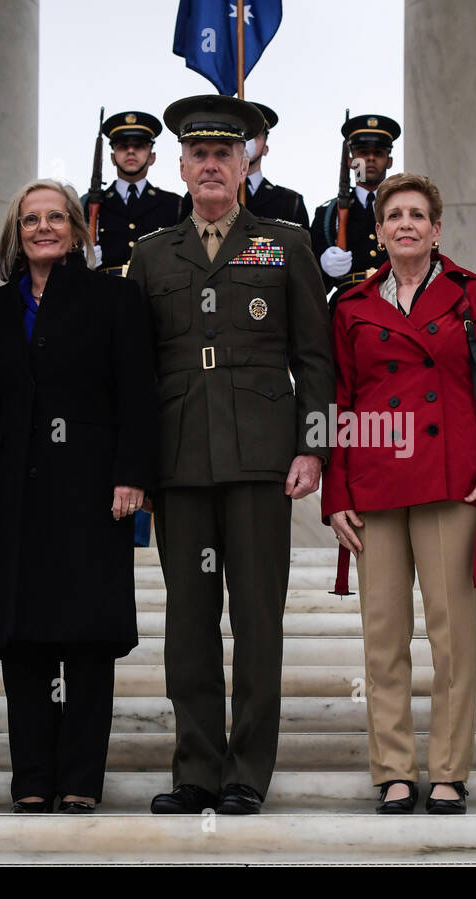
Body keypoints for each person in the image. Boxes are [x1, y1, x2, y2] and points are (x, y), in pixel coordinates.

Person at [128, 94, 333, 815]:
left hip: (259, 459)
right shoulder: (151, 256)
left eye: (226, 153)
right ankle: (195, 770)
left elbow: (316, 358)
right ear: (180, 166)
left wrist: (315, 447)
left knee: (256, 619)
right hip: (180, 461)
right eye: (200, 155)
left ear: (247, 164)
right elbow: (134, 372)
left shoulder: (284, 244)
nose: (212, 165)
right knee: (187, 624)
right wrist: (136, 465)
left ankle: (247, 771)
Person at [323, 173, 476, 814]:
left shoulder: (475, 297)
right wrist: (336, 492)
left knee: (452, 637)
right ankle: (393, 769)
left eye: (417, 215)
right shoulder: (351, 306)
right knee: (382, 637)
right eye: (394, 216)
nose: (405, 224)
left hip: (452, 482)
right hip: (377, 485)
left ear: (437, 230)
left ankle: (448, 770)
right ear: (379, 233)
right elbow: (341, 402)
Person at [0, 180, 157, 814]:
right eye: (31, 219)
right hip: (11, 495)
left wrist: (132, 475)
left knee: (85, 638)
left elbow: (138, 392)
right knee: (21, 638)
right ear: (17, 232)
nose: (43, 227)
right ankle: (30, 777)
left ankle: (80, 777)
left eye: (56, 217)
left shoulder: (115, 297)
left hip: (92, 492)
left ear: (79, 230)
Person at [310, 113, 400, 303]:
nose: (370, 159)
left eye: (378, 153)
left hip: (394, 300)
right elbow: (310, 277)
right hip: (348, 303)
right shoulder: (328, 213)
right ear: (351, 162)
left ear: (389, 161)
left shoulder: (401, 208)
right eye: (362, 153)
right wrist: (322, 263)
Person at [81, 111, 182, 277]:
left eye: (139, 146)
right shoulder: (90, 204)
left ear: (152, 157)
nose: (130, 151)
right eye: (122, 146)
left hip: (155, 296)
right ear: (113, 157)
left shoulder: (173, 204)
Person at [180, 102, 310, 228]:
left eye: (256, 135)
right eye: (243, 135)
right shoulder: (199, 194)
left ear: (266, 148)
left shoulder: (290, 201)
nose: (248, 142)